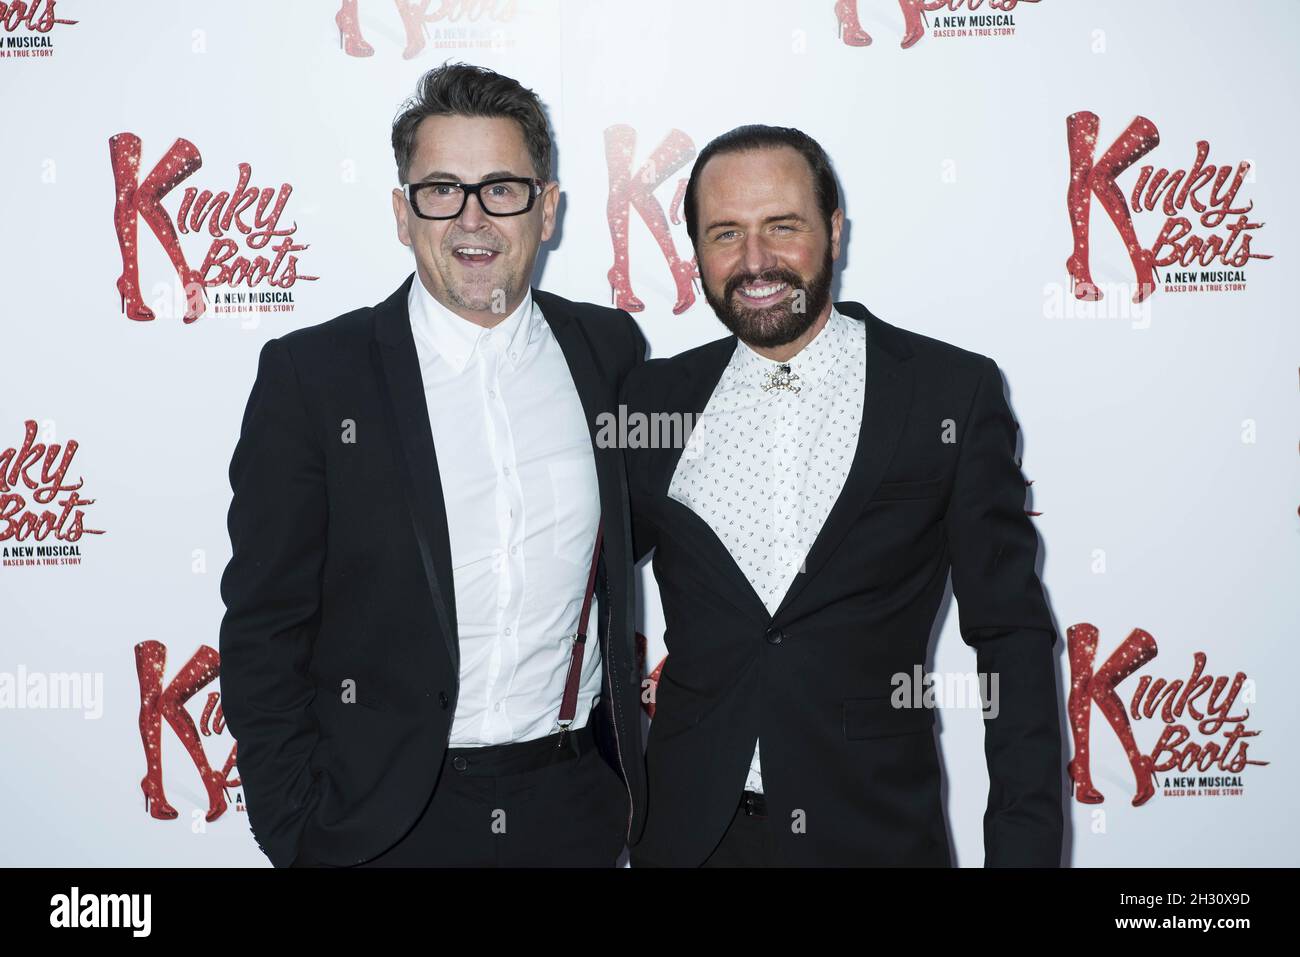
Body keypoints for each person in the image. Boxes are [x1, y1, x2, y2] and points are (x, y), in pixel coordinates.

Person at [218, 62, 647, 867]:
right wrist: (298, 830)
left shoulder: (608, 353)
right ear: (401, 212)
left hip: (573, 809)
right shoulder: (314, 377)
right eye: (442, 189)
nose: (472, 218)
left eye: (503, 189)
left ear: (547, 209)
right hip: (381, 822)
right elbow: (263, 629)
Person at [622, 124, 1063, 867]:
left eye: (782, 227)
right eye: (725, 233)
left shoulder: (947, 394)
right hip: (690, 841)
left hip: (876, 835)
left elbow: (1012, 642)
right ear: (695, 250)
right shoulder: (649, 400)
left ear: (833, 229)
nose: (755, 261)